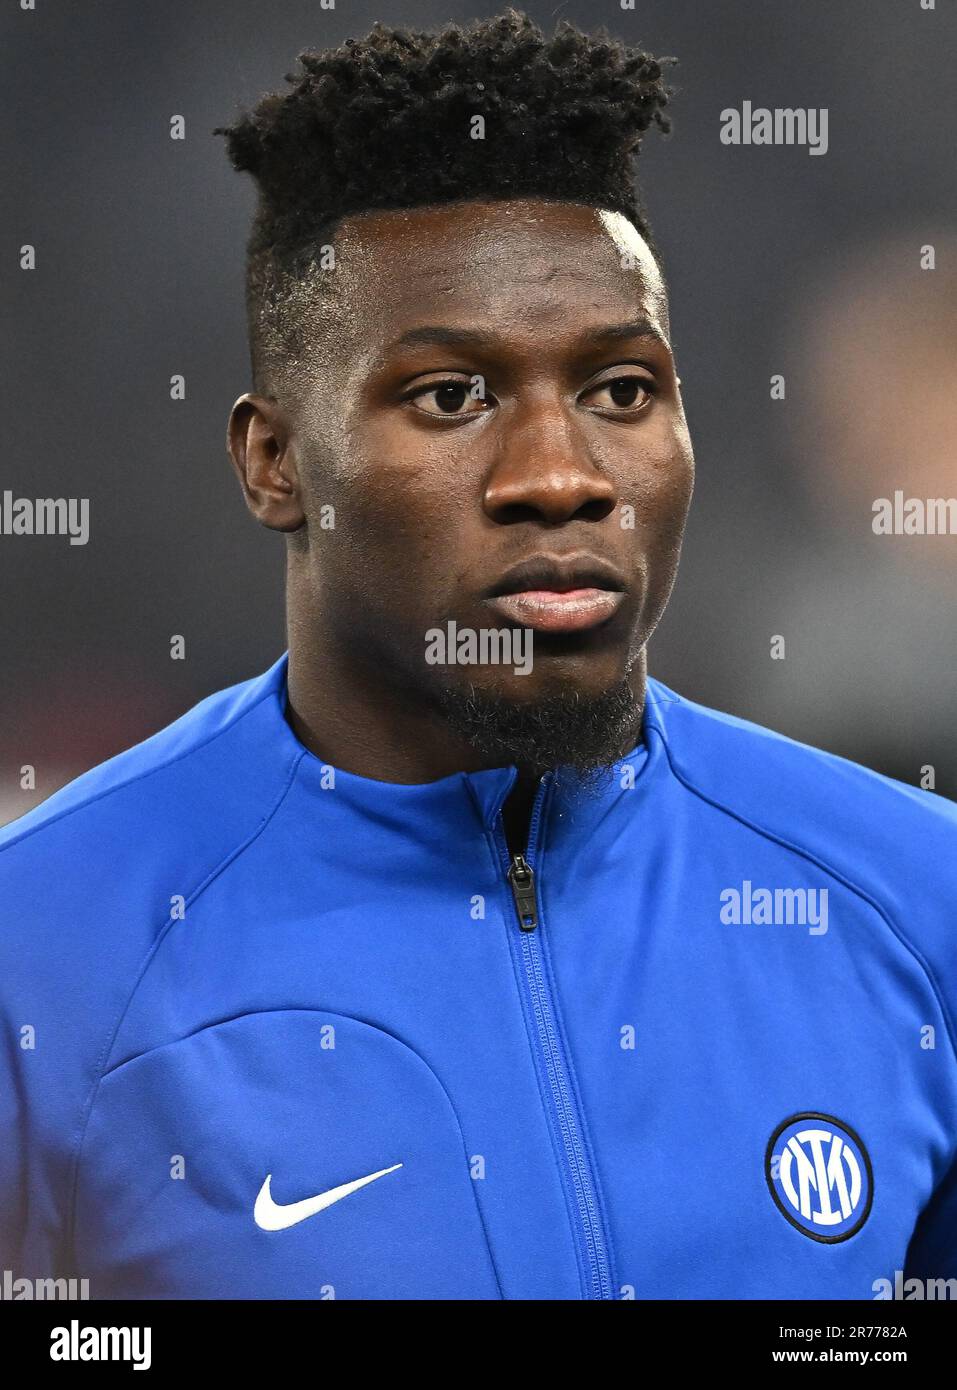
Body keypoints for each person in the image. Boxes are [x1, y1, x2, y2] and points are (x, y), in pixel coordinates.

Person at [1, 10, 954, 1301]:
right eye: (450, 395)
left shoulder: (915, 894)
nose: (559, 475)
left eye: (620, 388)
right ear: (273, 462)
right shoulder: (44, 945)